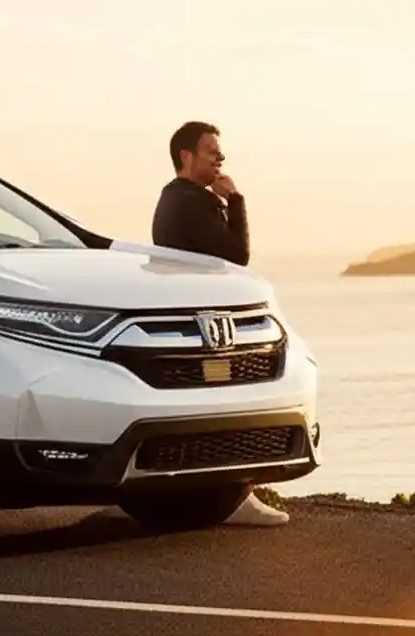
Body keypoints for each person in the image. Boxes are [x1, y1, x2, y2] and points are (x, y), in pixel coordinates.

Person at [149, 120, 290, 527]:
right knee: (232, 407)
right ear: (185, 156)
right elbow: (236, 254)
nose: (220, 157)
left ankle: (208, 494)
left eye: (220, 151)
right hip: (208, 326)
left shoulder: (173, 199)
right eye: (211, 150)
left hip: (189, 320)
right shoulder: (192, 202)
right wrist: (236, 200)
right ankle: (235, 498)